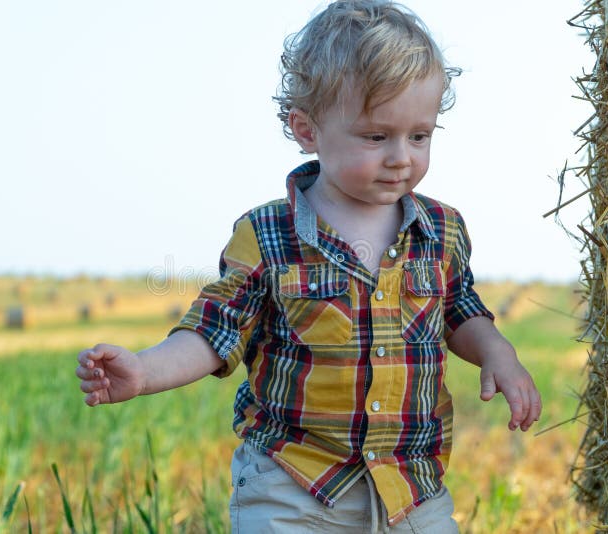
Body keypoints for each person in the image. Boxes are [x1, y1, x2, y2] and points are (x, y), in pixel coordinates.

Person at [75, 1, 542, 532]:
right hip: (293, 488)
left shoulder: (442, 229)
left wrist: (498, 354)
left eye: (419, 136)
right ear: (307, 129)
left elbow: (460, 309)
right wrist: (145, 370)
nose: (401, 157)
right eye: (375, 136)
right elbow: (214, 332)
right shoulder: (268, 236)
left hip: (410, 487)